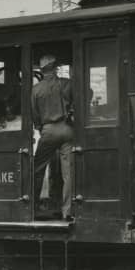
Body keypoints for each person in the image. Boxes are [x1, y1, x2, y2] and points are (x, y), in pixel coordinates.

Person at [31, 55, 75, 220]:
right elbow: (88, 94)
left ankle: (33, 208)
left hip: (48, 130)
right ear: (55, 68)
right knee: (68, 172)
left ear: (42, 71)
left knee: (37, 169)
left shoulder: (36, 89)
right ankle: (67, 211)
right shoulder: (66, 83)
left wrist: (41, 128)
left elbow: (34, 115)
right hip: (67, 128)